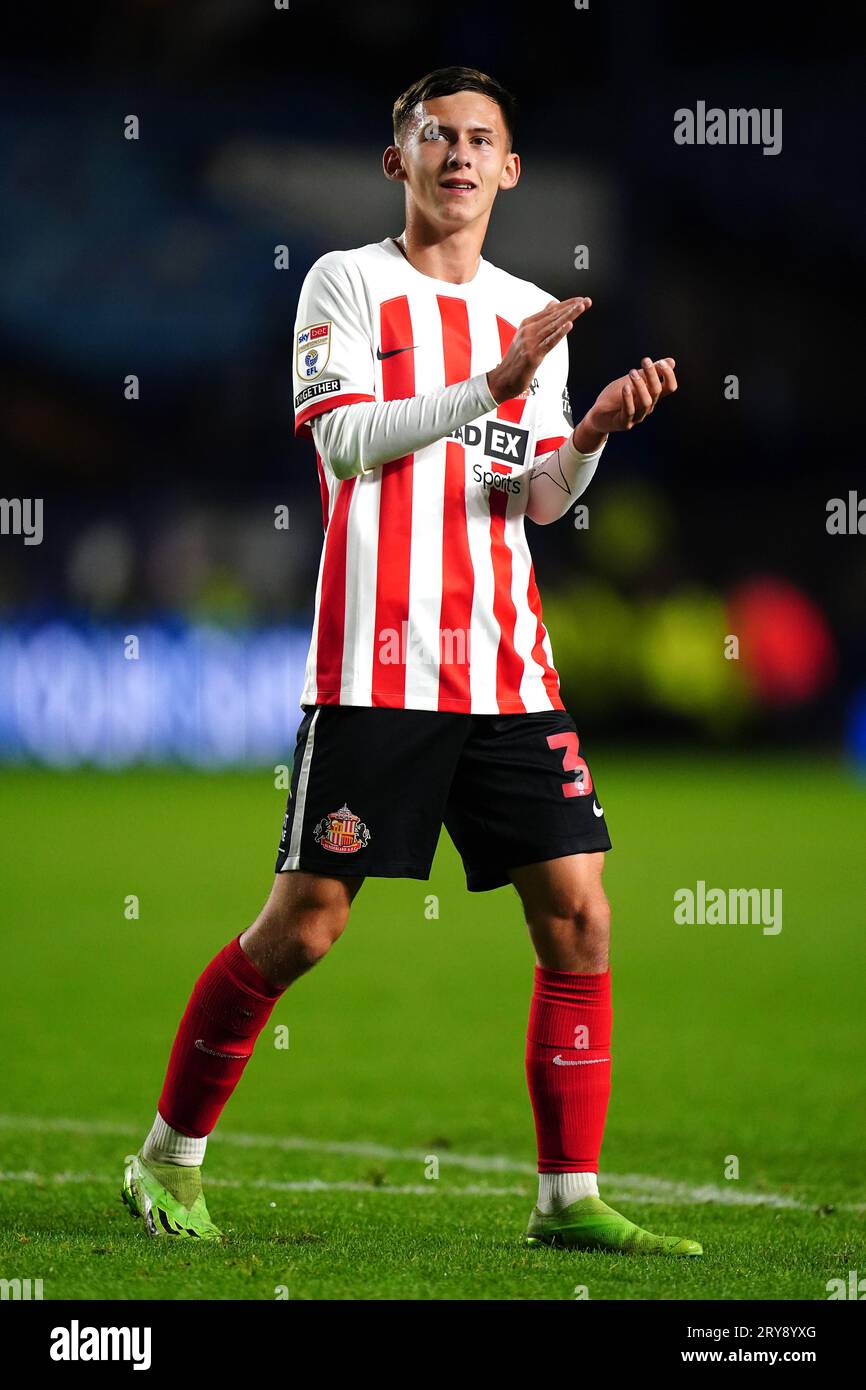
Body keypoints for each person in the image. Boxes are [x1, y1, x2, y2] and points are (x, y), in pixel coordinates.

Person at [122, 65, 700, 1256]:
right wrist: (485, 382)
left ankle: (565, 1198)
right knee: (304, 926)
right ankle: (165, 1159)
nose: (456, 154)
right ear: (398, 161)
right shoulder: (345, 282)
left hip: (505, 669)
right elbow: (345, 444)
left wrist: (584, 436)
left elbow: (531, 498)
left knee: (579, 918)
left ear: (508, 168)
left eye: (479, 139)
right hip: (377, 667)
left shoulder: (531, 313)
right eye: (434, 135)